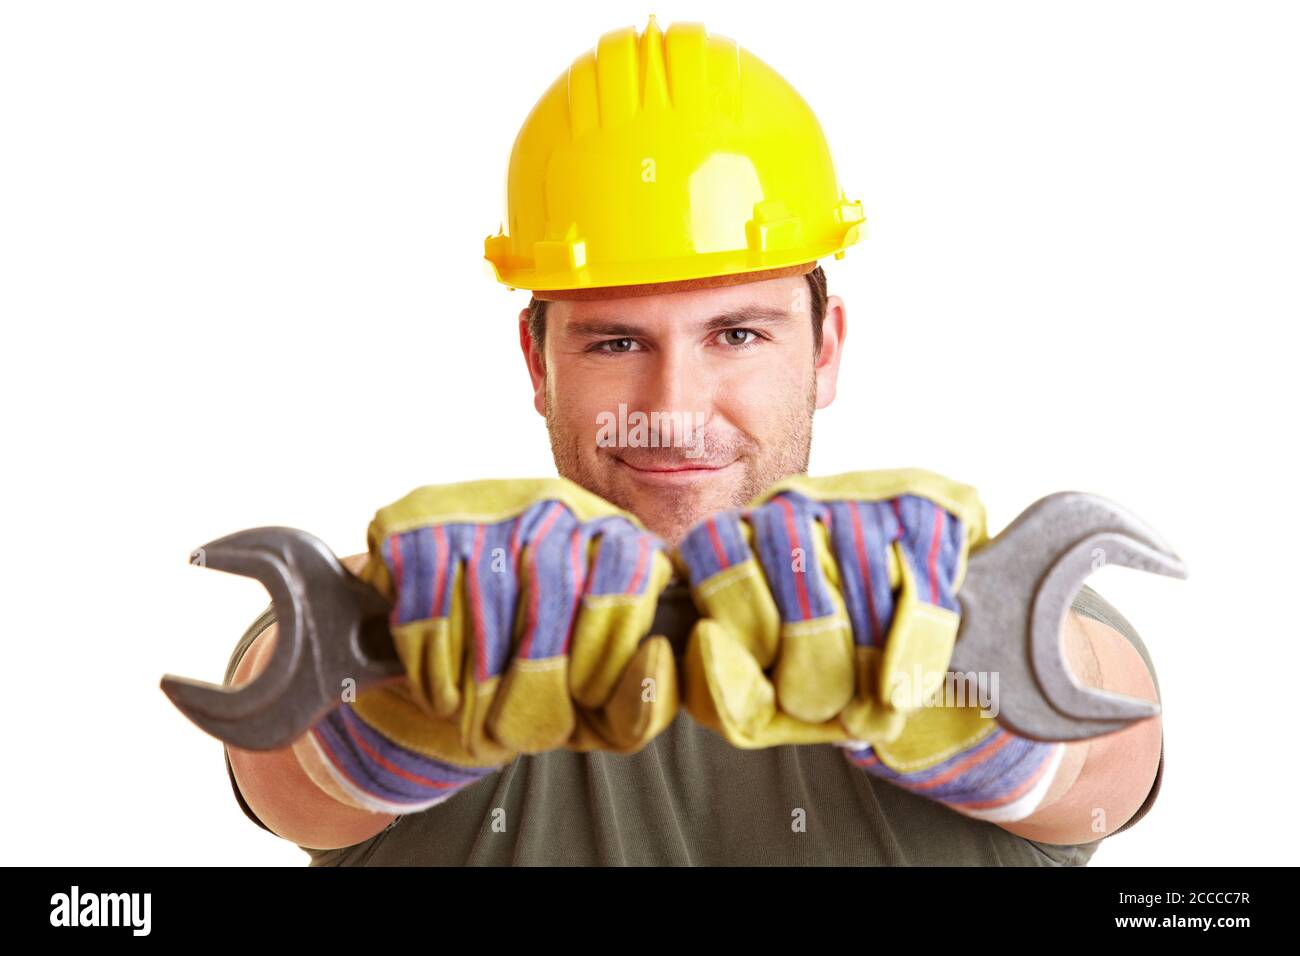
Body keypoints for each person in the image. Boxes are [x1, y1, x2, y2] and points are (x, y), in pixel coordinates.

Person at [223, 16, 1163, 865]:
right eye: (618, 341)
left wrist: (972, 683)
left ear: (825, 349)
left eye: (738, 335)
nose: (674, 408)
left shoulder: (968, 593)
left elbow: (1104, 767)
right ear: (539, 361)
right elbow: (290, 771)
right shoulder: (432, 605)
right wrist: (389, 680)